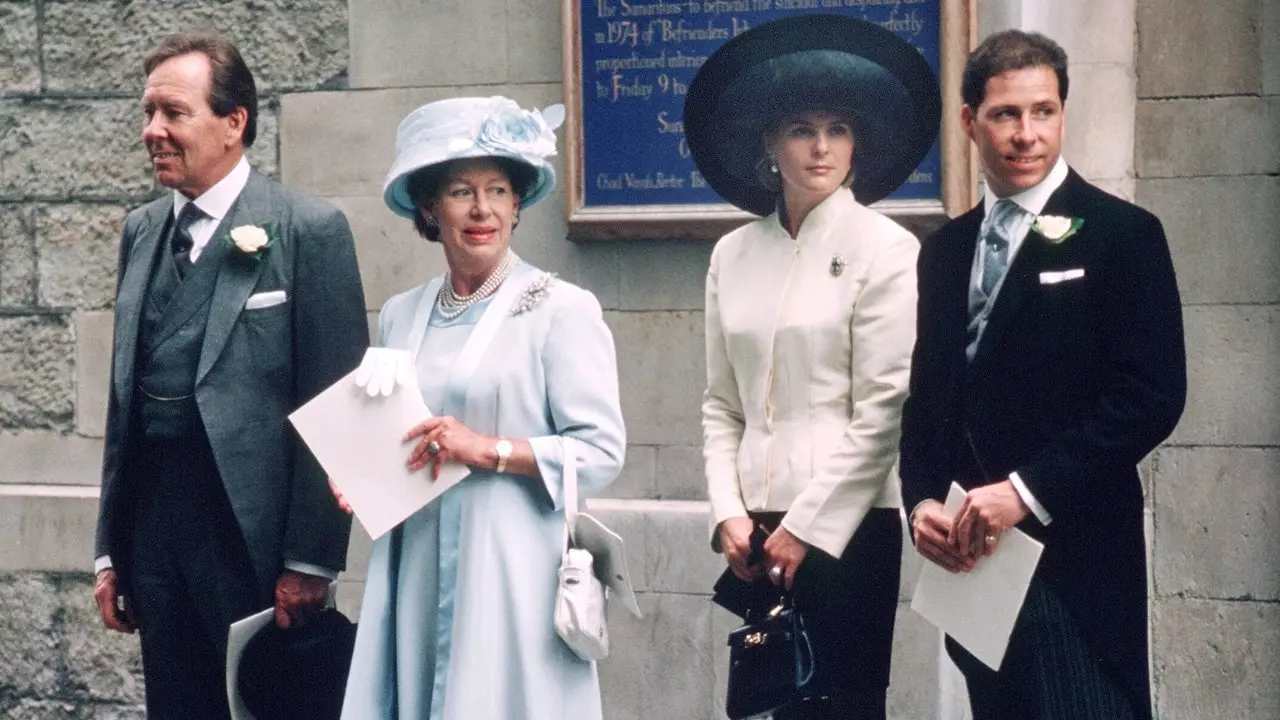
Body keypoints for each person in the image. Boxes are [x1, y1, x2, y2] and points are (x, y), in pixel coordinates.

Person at [899, 30, 1186, 720]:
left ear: (1062, 113)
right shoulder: (945, 251)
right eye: (1005, 114)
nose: (1027, 134)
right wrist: (920, 505)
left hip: (1076, 569)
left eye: (1044, 112)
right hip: (973, 574)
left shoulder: (1122, 235)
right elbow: (928, 400)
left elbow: (1151, 397)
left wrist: (1024, 493)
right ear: (969, 121)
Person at [91, 31, 368, 719]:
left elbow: (338, 406)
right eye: (148, 112)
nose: (152, 130)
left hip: (255, 540)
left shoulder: (308, 230)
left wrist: (311, 560)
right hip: (155, 533)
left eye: (173, 113)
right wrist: (109, 550)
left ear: (234, 122)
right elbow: (122, 398)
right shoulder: (142, 230)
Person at [683, 15, 941, 720]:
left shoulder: (884, 248)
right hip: (757, 534)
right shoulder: (731, 255)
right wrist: (727, 514)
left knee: (841, 710)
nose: (821, 146)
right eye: (801, 128)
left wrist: (806, 527)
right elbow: (720, 405)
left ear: (858, 143)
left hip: (846, 527)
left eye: (838, 128)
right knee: (770, 709)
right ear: (769, 143)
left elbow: (885, 408)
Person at [338, 96, 626, 720]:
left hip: (509, 566)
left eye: (498, 189)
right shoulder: (400, 313)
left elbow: (601, 452)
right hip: (413, 560)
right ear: (428, 206)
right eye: (461, 191)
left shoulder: (560, 309)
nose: (481, 209)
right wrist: (359, 474)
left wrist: (489, 449)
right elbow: (387, 429)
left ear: (518, 204)